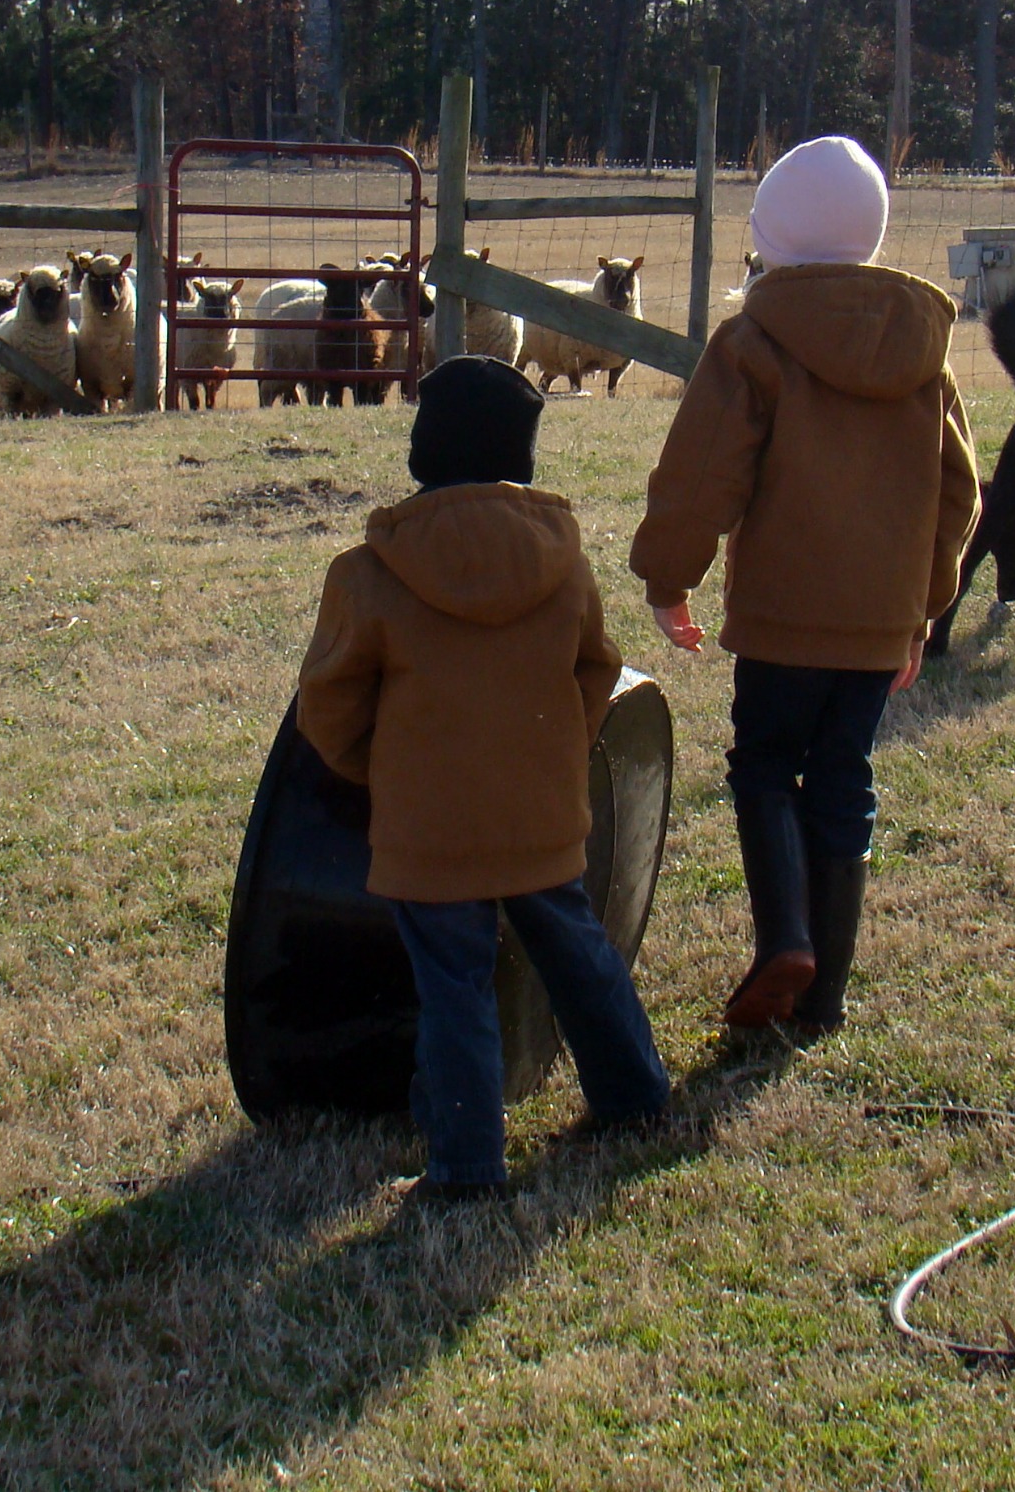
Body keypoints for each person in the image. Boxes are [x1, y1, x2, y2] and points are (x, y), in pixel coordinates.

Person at [630, 136, 980, 1038]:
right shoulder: (922, 350)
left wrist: (669, 578)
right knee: (843, 776)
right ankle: (825, 998)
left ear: (771, 234)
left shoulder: (754, 341)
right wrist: (922, 610)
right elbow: (958, 492)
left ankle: (785, 938)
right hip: (877, 627)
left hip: (785, 615)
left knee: (762, 766)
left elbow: (705, 472)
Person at [297, 356, 671, 1198]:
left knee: (454, 987)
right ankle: (636, 1096)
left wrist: (381, 773)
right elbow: (597, 673)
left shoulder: (368, 574)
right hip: (540, 809)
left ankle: (466, 1168)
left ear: (423, 450)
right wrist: (550, 759)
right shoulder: (563, 561)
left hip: (428, 823)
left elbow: (328, 705)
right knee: (578, 953)